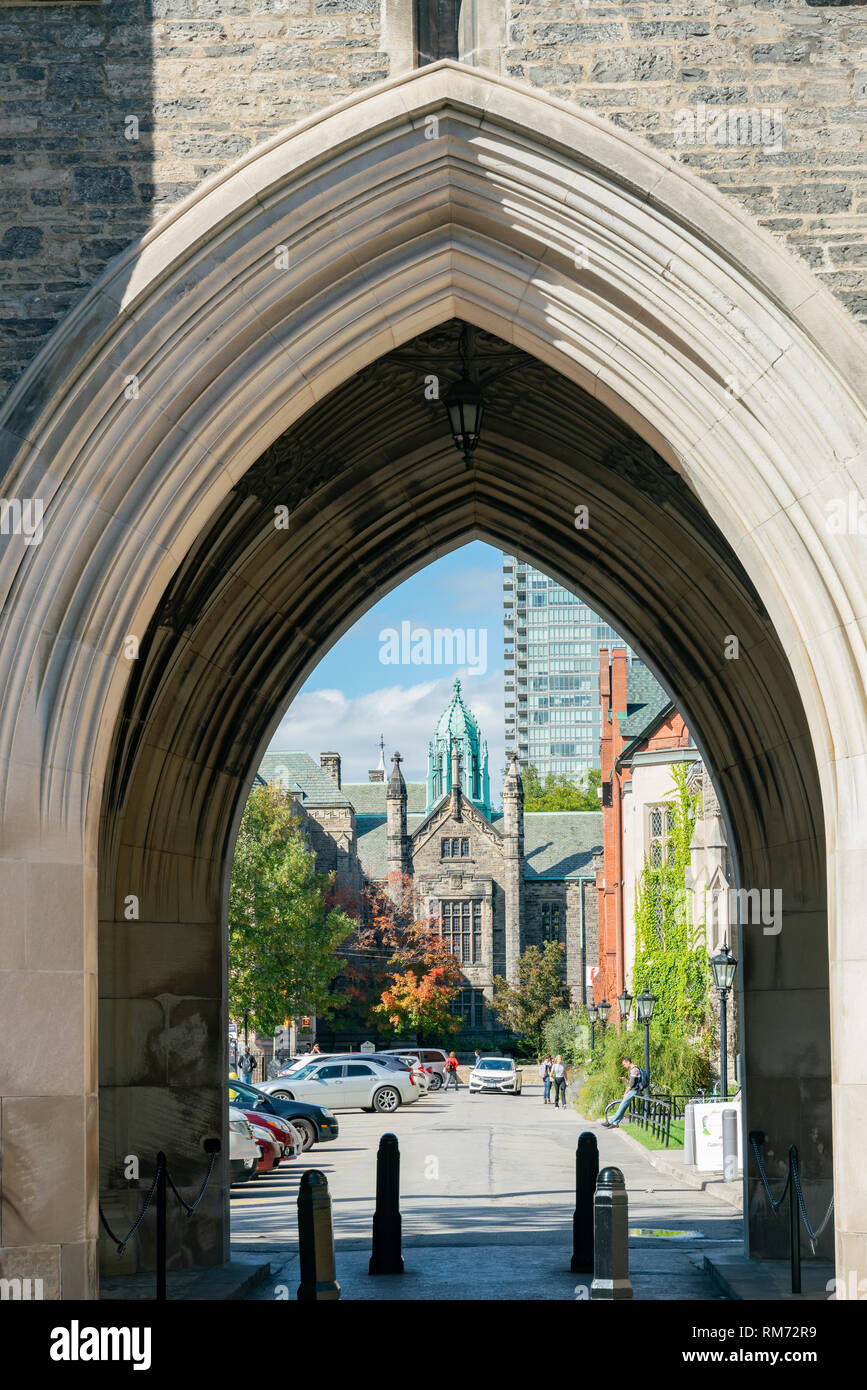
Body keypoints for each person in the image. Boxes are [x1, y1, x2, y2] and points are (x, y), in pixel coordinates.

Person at [603, 1057, 644, 1128]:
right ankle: (615, 1123)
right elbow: (633, 1083)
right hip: (634, 1090)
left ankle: (610, 1122)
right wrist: (626, 1080)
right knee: (623, 1106)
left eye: (624, 1064)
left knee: (622, 1105)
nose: (624, 1066)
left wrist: (625, 1092)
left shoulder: (634, 1070)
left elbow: (631, 1085)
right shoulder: (634, 1069)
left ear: (628, 1062)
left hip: (634, 1091)